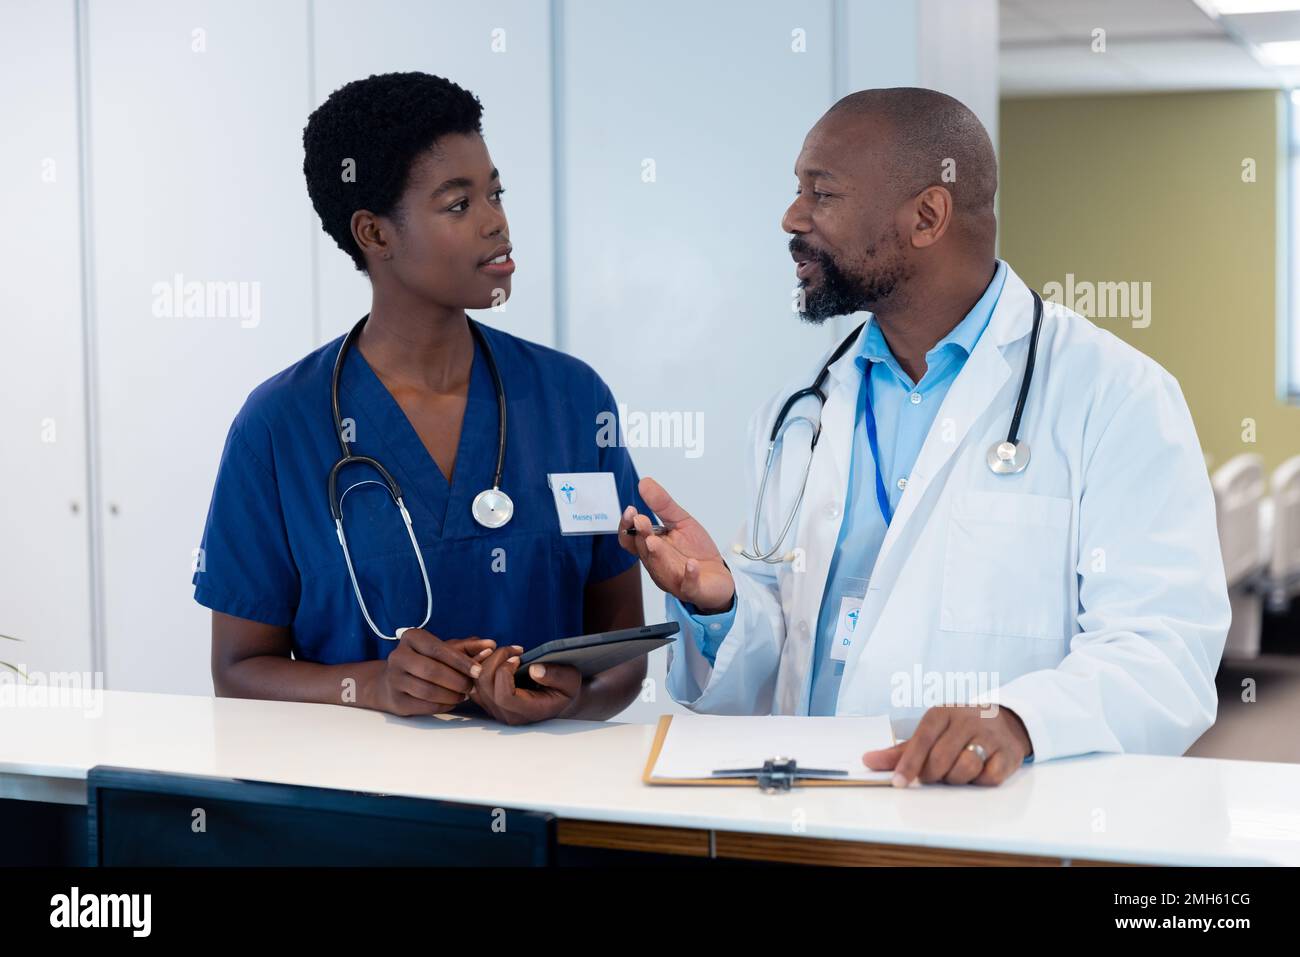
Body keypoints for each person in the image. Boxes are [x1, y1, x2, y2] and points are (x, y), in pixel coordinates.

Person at [619, 87, 1229, 786]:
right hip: (808, 818)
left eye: (822, 193)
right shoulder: (801, 413)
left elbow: (1164, 651)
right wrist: (718, 601)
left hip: (993, 832)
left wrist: (1019, 719)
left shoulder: (1115, 396)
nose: (793, 217)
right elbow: (777, 661)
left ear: (927, 215)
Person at [193, 72, 648, 724]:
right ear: (375, 235)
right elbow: (237, 670)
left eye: (496, 192)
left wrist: (567, 696)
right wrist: (373, 686)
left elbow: (624, 653)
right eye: (459, 205)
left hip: (546, 805)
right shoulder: (278, 426)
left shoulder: (572, 400)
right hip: (362, 812)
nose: (498, 223)